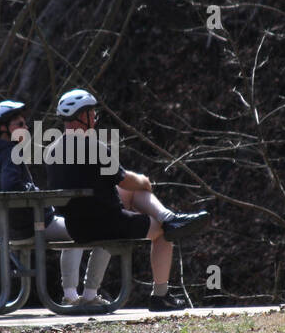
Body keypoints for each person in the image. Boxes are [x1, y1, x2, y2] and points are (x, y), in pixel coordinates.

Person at [45, 89, 210, 311]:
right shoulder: (93, 146)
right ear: (81, 116)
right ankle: (161, 296)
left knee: (137, 198)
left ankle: (169, 216)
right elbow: (125, 180)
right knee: (164, 232)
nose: (94, 119)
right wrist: (144, 180)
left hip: (76, 227)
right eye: (92, 114)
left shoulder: (52, 151)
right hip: (108, 224)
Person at [0, 99, 111, 306]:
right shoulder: (11, 152)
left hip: (9, 231)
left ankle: (71, 295)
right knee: (101, 232)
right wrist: (34, 191)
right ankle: (86, 296)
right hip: (35, 225)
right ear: (3, 128)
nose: (26, 127)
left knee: (77, 231)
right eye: (20, 124)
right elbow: (11, 185)